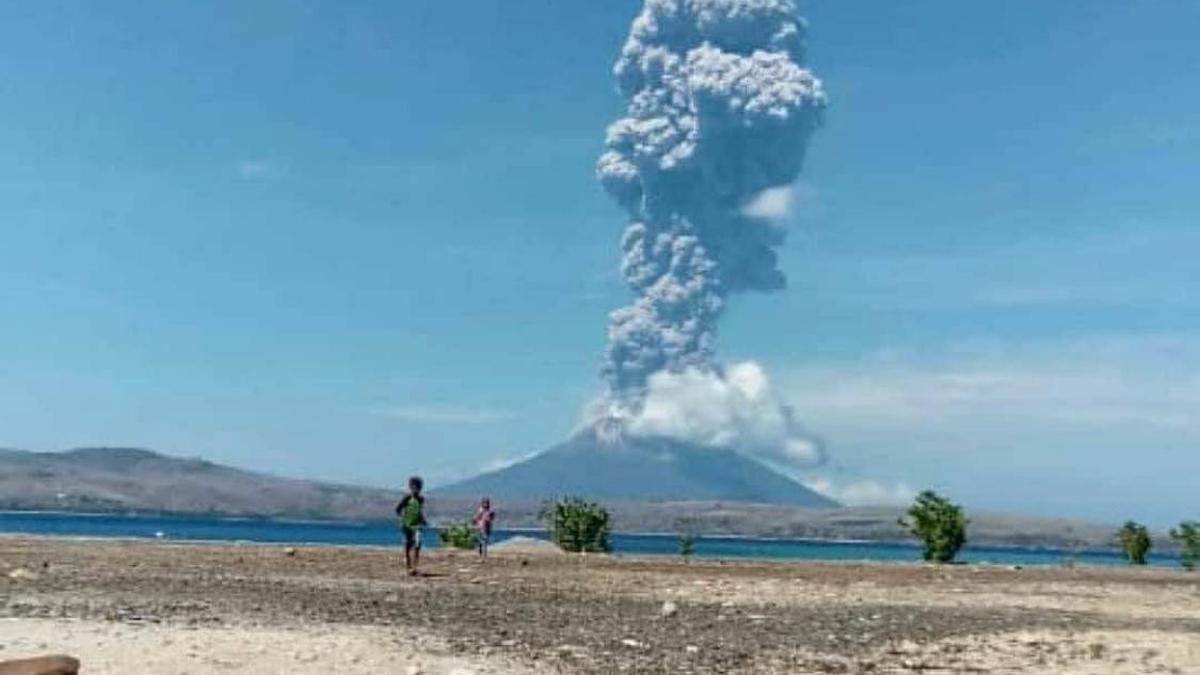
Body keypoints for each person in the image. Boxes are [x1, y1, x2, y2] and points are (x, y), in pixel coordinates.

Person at [395, 476, 427, 576]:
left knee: (417, 544)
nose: (416, 489)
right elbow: (398, 509)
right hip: (407, 524)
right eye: (414, 487)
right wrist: (402, 520)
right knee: (408, 545)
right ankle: (408, 567)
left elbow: (419, 511)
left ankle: (414, 566)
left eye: (418, 487)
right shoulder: (407, 498)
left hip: (417, 525)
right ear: (410, 487)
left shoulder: (421, 499)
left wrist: (423, 520)